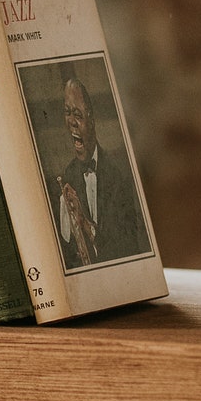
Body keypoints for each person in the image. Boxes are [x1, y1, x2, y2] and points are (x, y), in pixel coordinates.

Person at [54, 74, 147, 268]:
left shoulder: (119, 174)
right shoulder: (69, 174)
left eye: (77, 115)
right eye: (67, 112)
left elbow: (130, 246)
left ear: (92, 120)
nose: (71, 121)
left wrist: (88, 228)